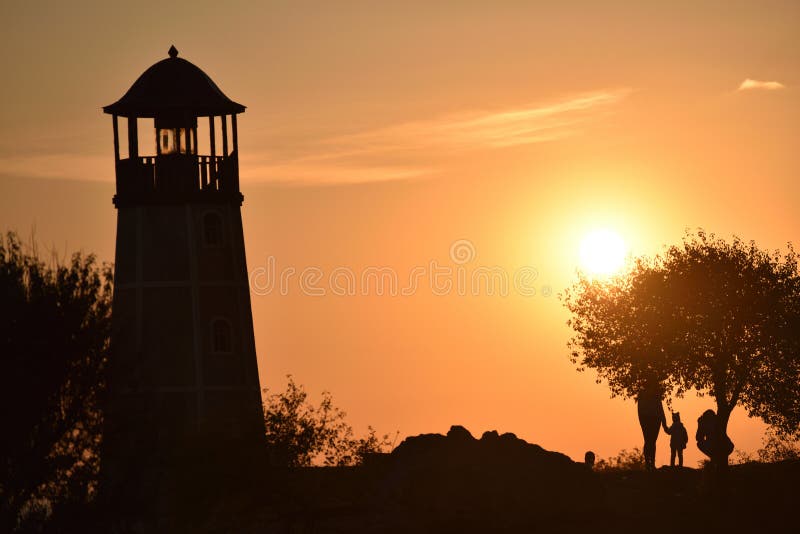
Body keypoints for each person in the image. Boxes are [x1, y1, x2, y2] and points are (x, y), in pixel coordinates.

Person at [636, 382, 667, 470]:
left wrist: (664, 423)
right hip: (648, 420)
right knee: (649, 441)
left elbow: (660, 409)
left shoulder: (652, 395)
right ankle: (648, 464)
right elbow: (660, 409)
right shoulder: (643, 395)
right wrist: (664, 423)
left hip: (653, 420)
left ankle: (650, 464)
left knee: (651, 441)